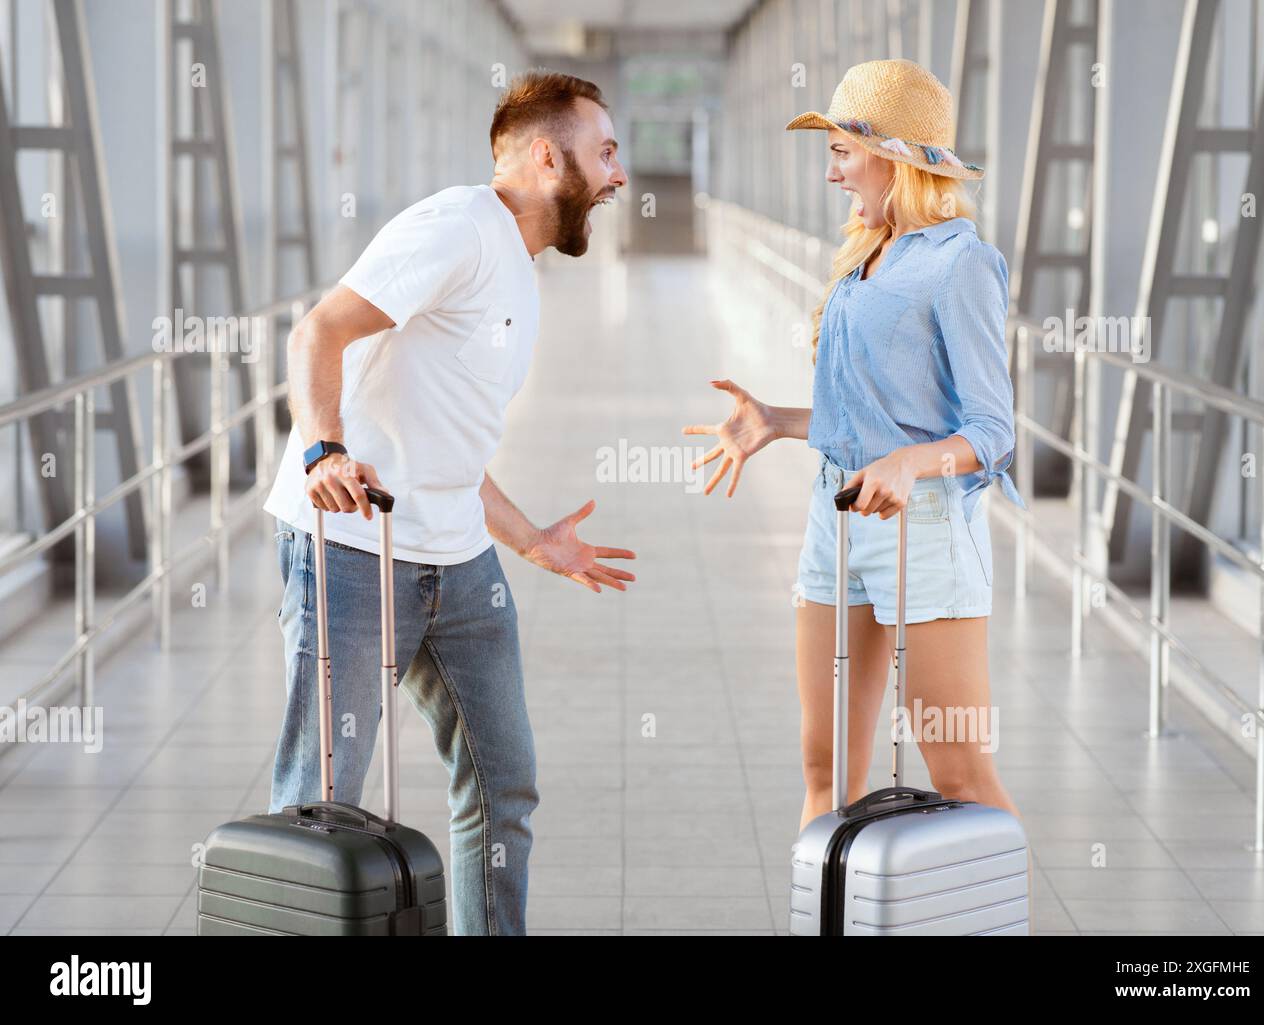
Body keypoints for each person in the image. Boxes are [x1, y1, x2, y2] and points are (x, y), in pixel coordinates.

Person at [261, 71, 635, 936]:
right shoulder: (456, 228)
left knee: (504, 785)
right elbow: (318, 330)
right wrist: (323, 449)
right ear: (548, 157)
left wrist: (532, 540)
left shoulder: (521, 270)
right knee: (322, 801)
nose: (619, 176)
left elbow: (450, 444)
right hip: (354, 546)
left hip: (459, 562)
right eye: (606, 152)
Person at [683, 59, 1025, 833]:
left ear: (893, 156)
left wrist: (910, 463)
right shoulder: (870, 252)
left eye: (842, 152)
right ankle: (826, 899)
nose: (832, 172)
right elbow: (873, 415)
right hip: (835, 518)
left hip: (925, 528)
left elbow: (994, 430)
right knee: (827, 769)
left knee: (961, 772)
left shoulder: (960, 262)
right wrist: (778, 420)